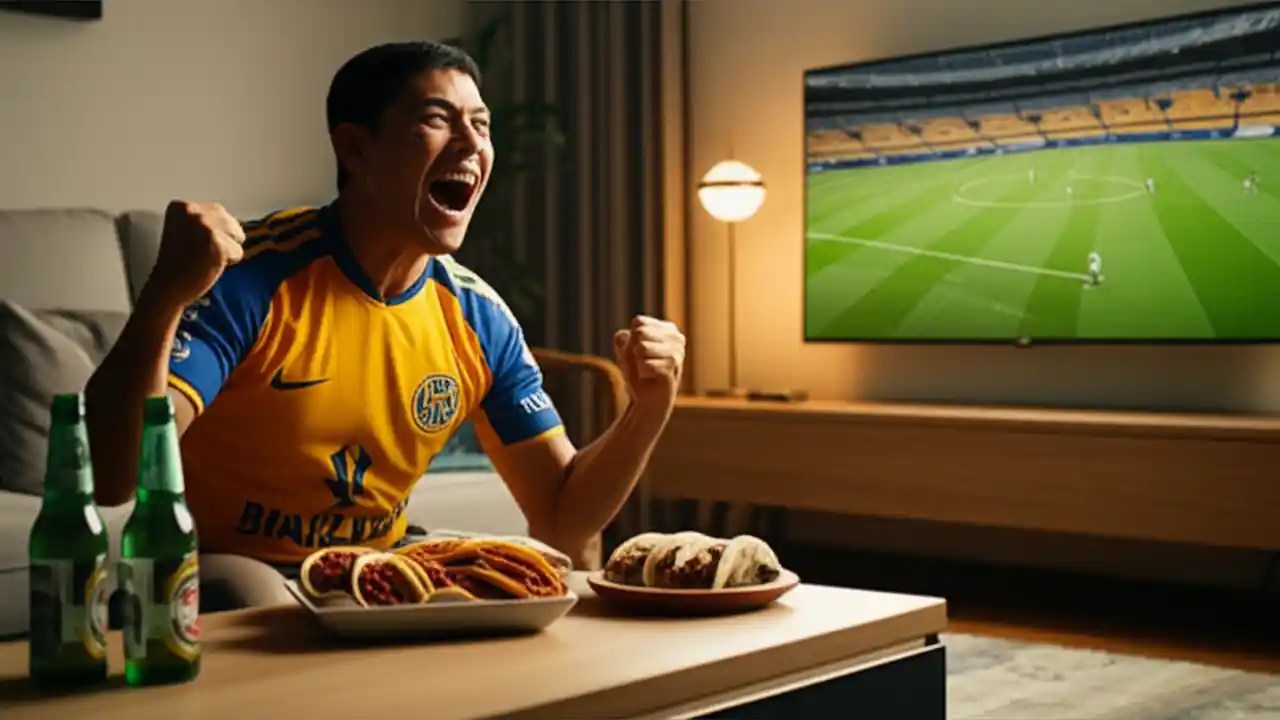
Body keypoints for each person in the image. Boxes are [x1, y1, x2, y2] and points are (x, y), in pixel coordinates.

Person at [84, 42, 686, 609]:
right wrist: (165, 293)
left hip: (376, 565)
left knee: (524, 575)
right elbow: (114, 477)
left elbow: (561, 517)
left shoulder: (478, 317)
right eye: (438, 120)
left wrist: (648, 409)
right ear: (356, 148)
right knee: (260, 600)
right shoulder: (251, 279)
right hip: (224, 566)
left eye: (481, 125)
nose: (470, 144)